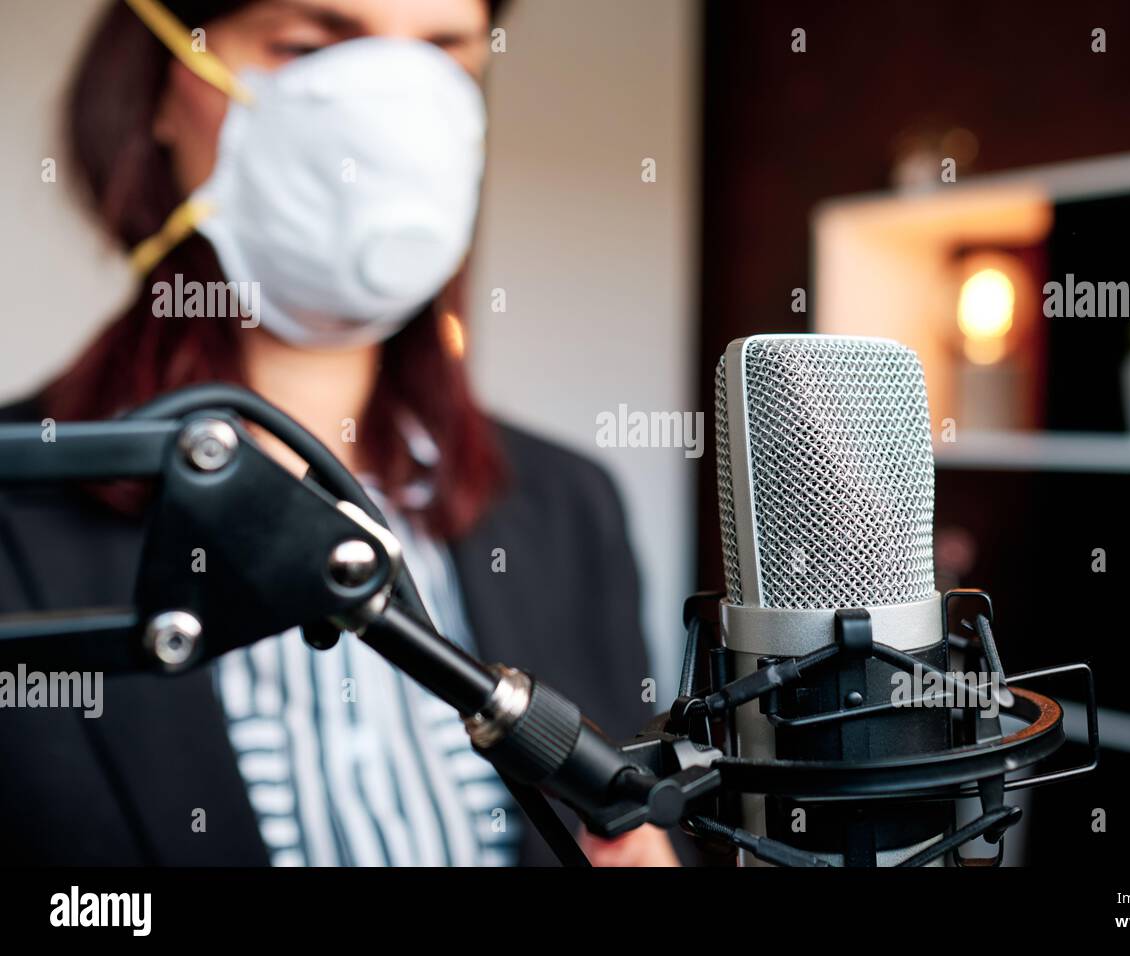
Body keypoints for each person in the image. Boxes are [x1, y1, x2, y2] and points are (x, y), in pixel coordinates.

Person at [0, 0, 679, 867]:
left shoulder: (566, 505)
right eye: (308, 46)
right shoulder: (19, 505)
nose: (391, 110)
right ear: (161, 90)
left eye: (445, 54)